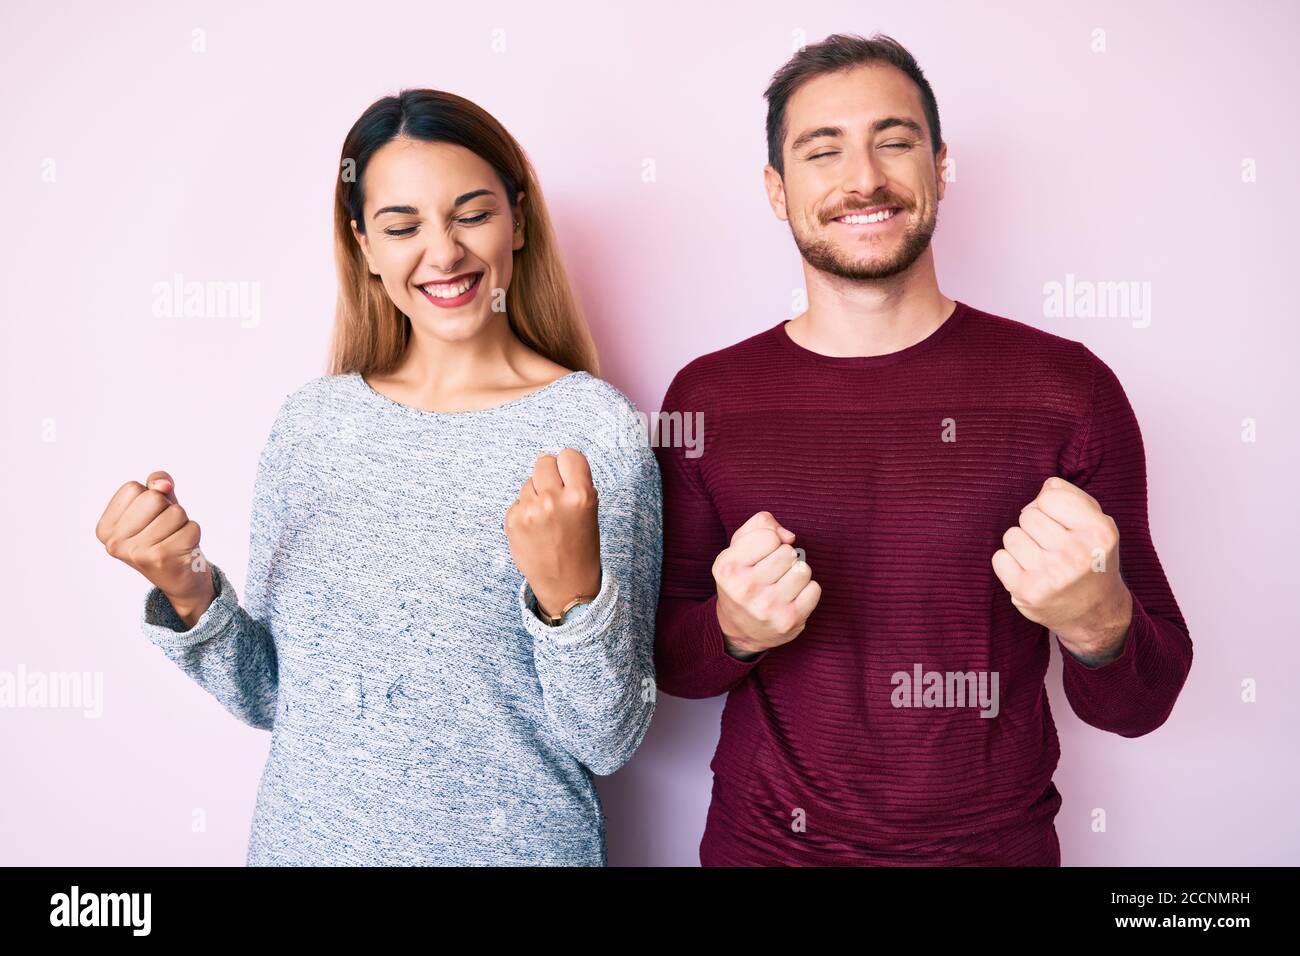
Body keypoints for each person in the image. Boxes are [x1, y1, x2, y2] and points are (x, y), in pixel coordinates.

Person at [652, 33, 1193, 866]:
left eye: (893, 142)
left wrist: (1098, 621)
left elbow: (1141, 703)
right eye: (821, 151)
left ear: (940, 168)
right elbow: (670, 665)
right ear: (775, 189)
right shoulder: (706, 398)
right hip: (765, 848)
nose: (862, 179)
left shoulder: (1068, 389)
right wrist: (733, 628)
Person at [95, 88, 662, 866]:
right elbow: (270, 697)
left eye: (472, 215)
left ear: (519, 221)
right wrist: (185, 586)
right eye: (402, 226)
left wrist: (569, 600)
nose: (444, 253)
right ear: (364, 245)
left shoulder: (595, 430)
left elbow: (608, 740)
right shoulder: (312, 426)